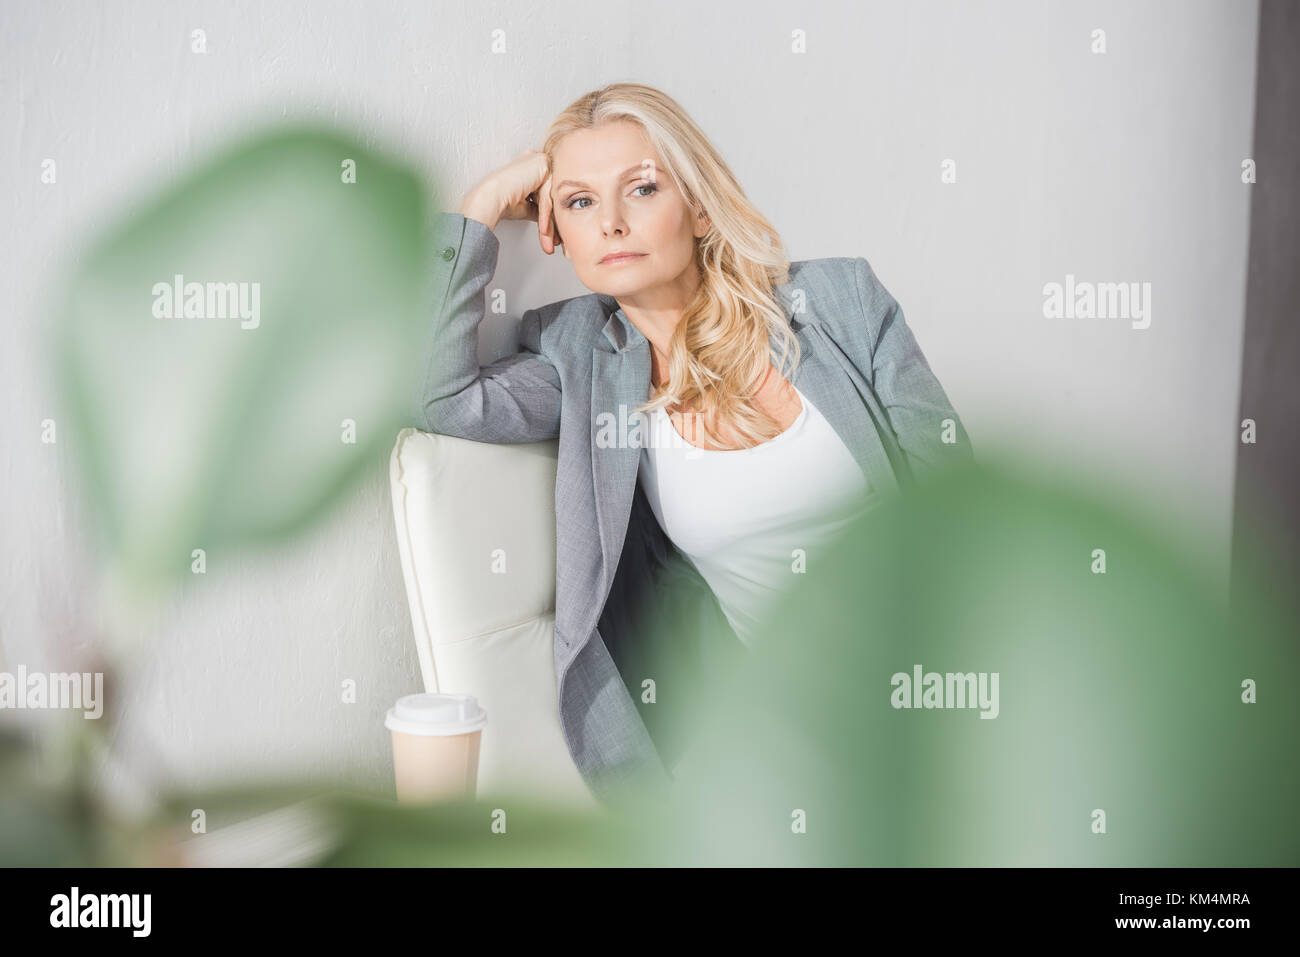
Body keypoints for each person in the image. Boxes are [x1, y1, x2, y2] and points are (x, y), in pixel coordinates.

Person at [419, 82, 973, 809]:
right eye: (580, 202)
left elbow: (965, 516)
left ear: (701, 207)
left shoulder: (840, 304)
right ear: (561, 230)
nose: (612, 223)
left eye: (641, 189)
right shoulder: (583, 359)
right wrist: (482, 207)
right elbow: (442, 396)